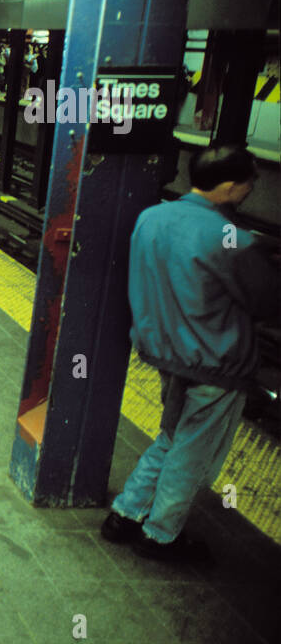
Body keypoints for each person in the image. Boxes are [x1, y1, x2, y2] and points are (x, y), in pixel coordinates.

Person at [101, 146, 278, 564]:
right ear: (231, 186)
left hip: (166, 353)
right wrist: (258, 257)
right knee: (193, 453)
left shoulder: (152, 216)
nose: (251, 190)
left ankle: (125, 513)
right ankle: (161, 536)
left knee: (172, 436)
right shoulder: (230, 236)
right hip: (214, 363)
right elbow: (267, 300)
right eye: (249, 183)